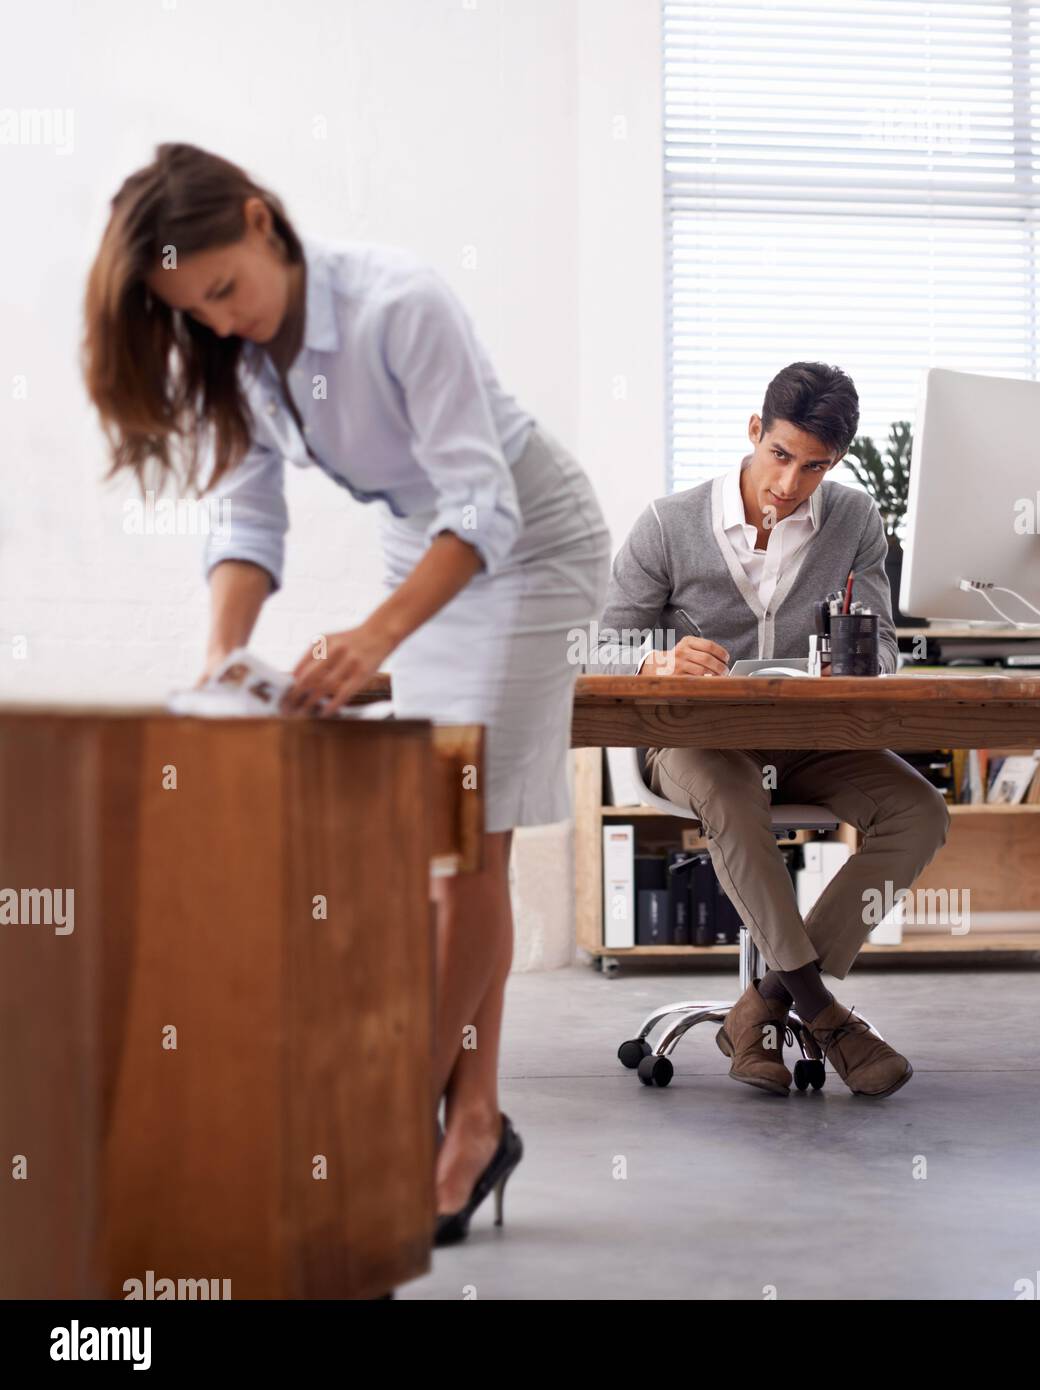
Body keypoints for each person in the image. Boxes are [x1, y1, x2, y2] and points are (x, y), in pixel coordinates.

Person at [82, 142, 611, 1242]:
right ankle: (471, 1125)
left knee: (469, 846)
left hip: (522, 539)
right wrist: (224, 658)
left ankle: (370, 1127)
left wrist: (378, 636)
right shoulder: (234, 349)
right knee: (455, 847)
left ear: (264, 221)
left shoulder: (397, 302)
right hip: (422, 549)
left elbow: (485, 500)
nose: (218, 321)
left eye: (225, 289)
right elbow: (246, 512)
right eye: (193, 308)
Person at [592, 362, 950, 1098]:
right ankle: (827, 1016)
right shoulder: (668, 523)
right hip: (690, 743)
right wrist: (659, 661)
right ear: (755, 432)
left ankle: (763, 1007)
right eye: (781, 455)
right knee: (730, 790)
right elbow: (601, 648)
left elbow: (883, 648)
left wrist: (846, 658)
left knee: (920, 812)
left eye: (814, 466)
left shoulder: (853, 522)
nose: (790, 484)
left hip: (808, 738)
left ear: (836, 462)